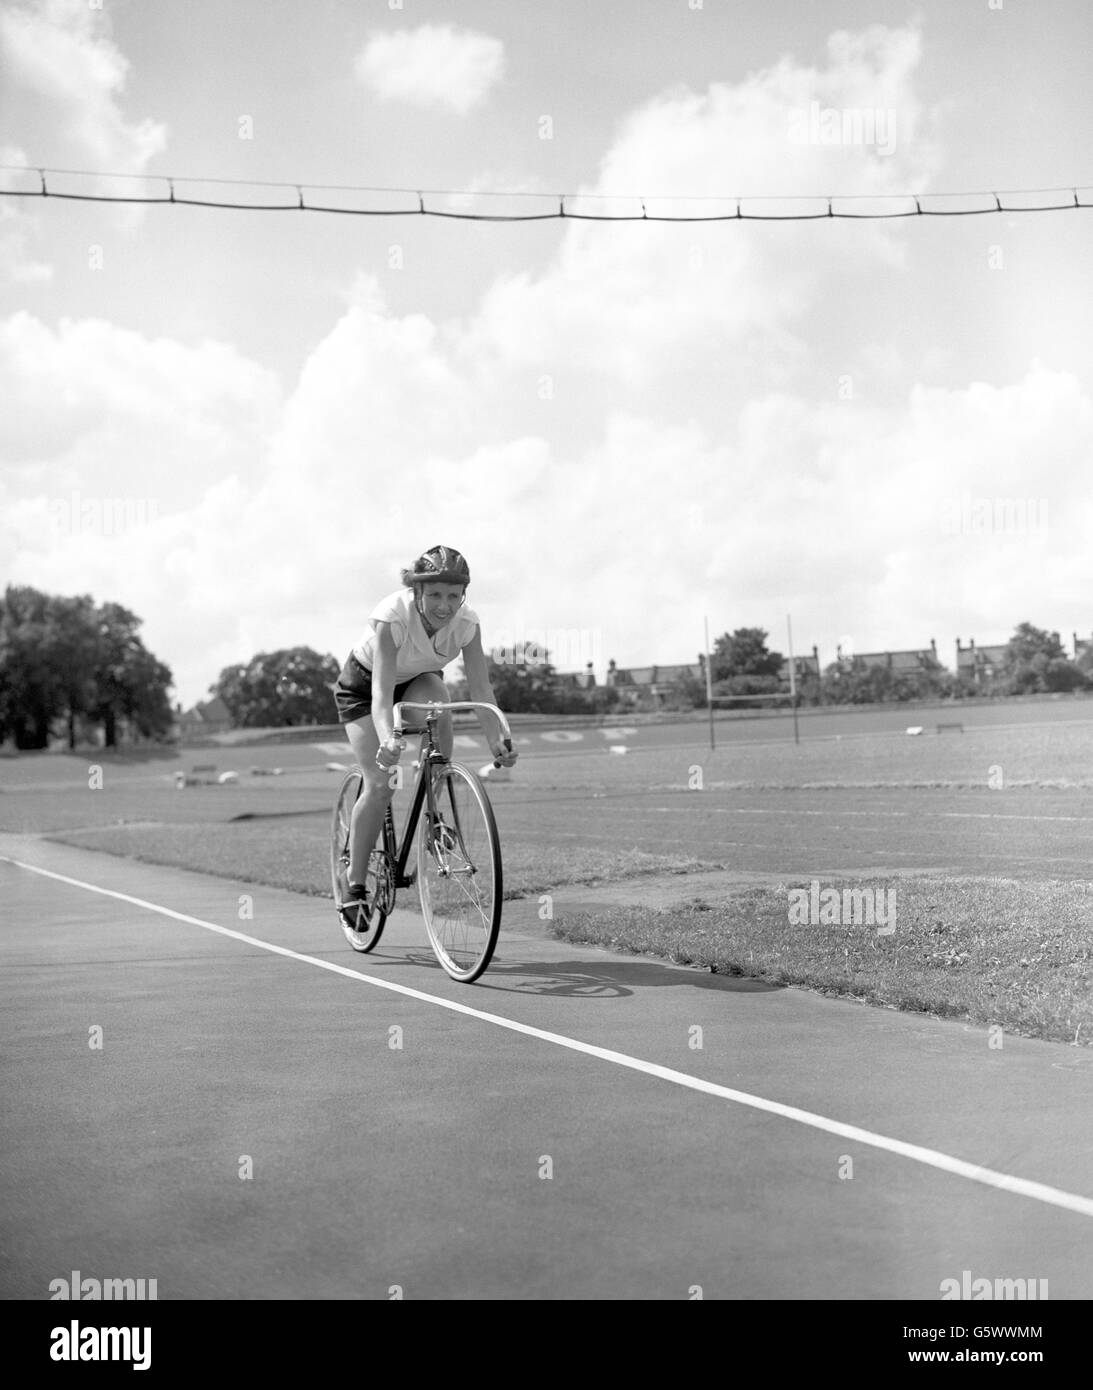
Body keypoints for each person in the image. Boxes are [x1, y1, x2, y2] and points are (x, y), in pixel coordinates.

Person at [332, 545, 517, 922]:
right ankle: (353, 886)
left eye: (453, 595)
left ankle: (433, 815)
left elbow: (481, 690)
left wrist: (496, 740)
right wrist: (389, 740)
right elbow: (382, 694)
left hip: (418, 681)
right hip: (364, 687)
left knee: (439, 704)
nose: (444, 606)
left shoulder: (467, 624)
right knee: (380, 784)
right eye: (434, 595)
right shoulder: (392, 617)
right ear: (417, 593)